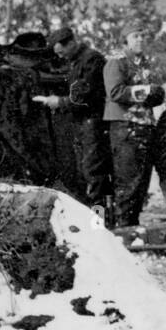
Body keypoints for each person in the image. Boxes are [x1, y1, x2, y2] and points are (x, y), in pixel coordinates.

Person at [33, 26, 113, 218]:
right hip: (82, 125)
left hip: (92, 124)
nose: (60, 57)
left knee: (94, 175)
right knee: (85, 174)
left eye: (61, 52)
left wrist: (58, 102)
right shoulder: (77, 61)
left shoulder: (91, 60)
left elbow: (83, 96)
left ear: (70, 43)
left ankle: (98, 222)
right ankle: (97, 219)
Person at [102, 28, 165, 227]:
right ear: (125, 41)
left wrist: (156, 93)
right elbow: (115, 92)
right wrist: (147, 90)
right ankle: (123, 229)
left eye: (142, 35)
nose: (140, 39)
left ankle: (132, 226)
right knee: (127, 182)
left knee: (141, 182)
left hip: (145, 126)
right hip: (125, 127)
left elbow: (154, 95)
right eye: (135, 36)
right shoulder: (116, 61)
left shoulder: (145, 63)